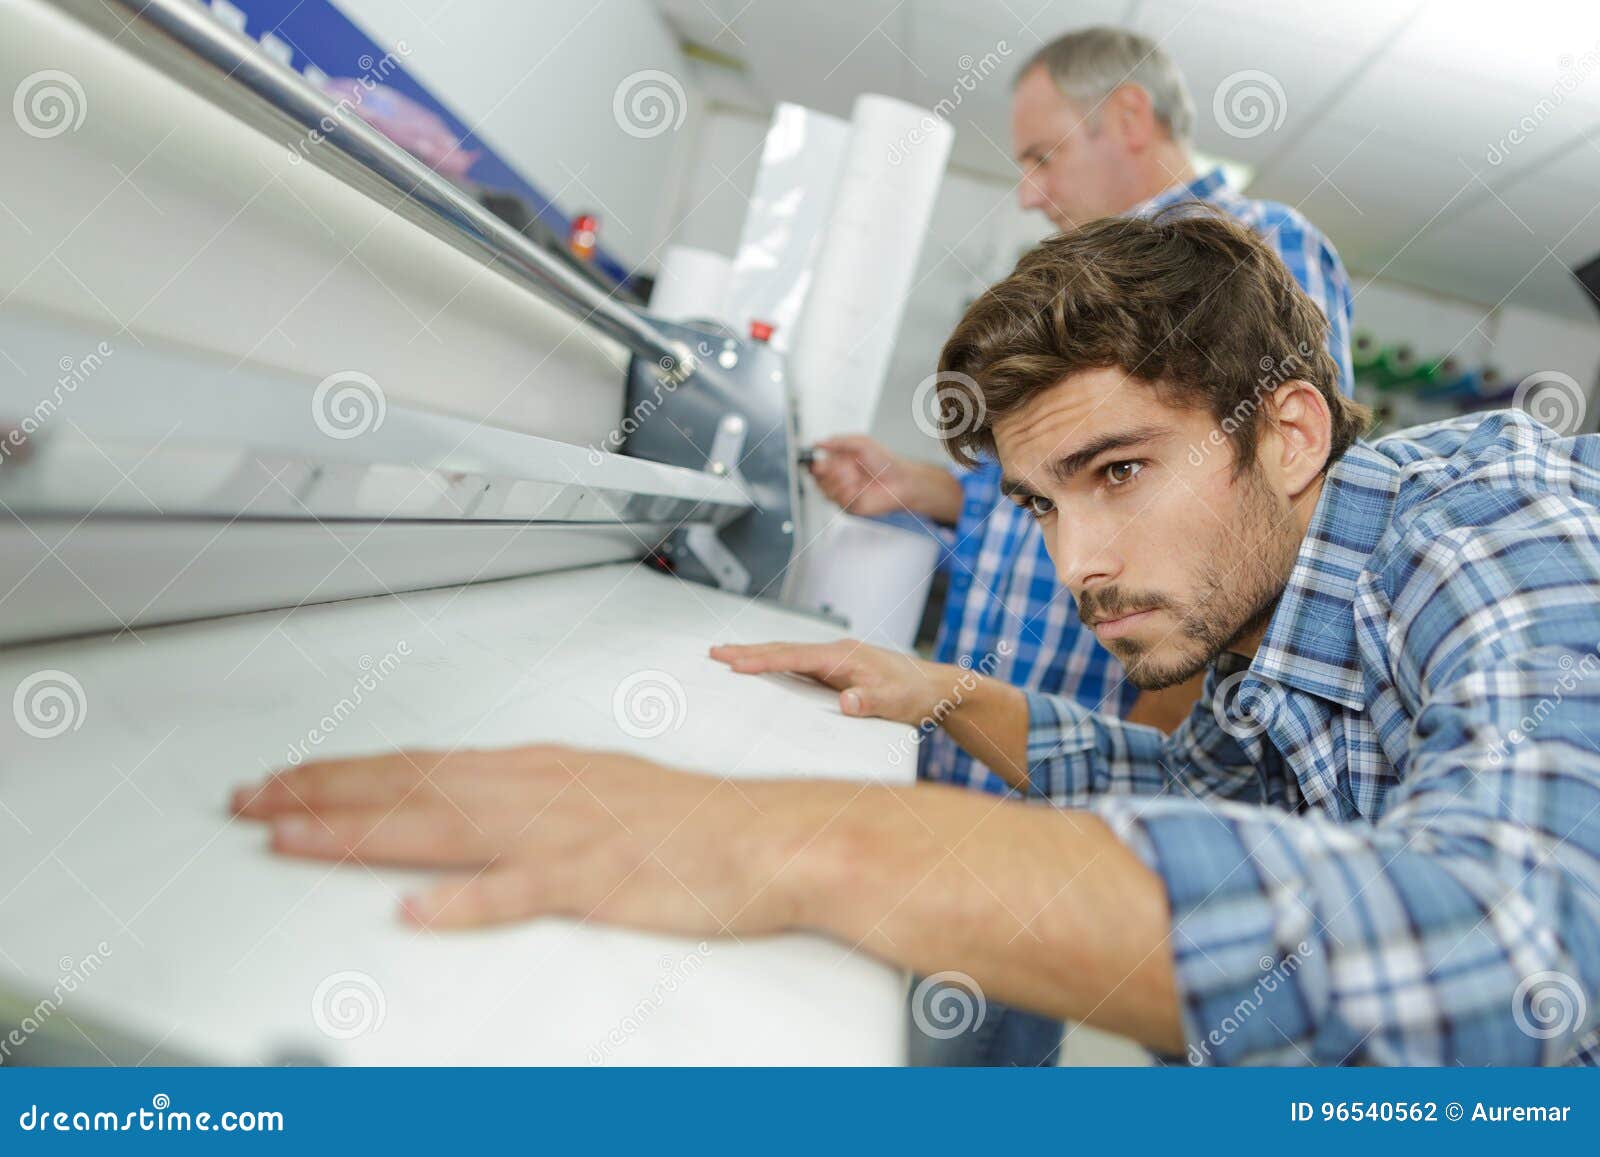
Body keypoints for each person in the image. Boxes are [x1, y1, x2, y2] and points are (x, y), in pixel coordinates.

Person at [234, 210, 1600, 1066]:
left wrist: (782, 839)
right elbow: (1209, 789)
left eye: (1120, 471)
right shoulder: (1264, 590)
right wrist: (946, 690)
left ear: (1291, 433)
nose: (1083, 567)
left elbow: (1526, 948)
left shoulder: (1490, 530)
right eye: (1042, 505)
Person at [808, 24, 1355, 1064]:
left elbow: (1257, 545)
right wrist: (921, 490)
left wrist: (1139, 793)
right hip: (994, 752)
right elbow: (1067, 505)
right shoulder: (1079, 282)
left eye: (1040, 156)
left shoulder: (1243, 247)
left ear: (1130, 120)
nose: (1027, 190)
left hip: (1076, 789)